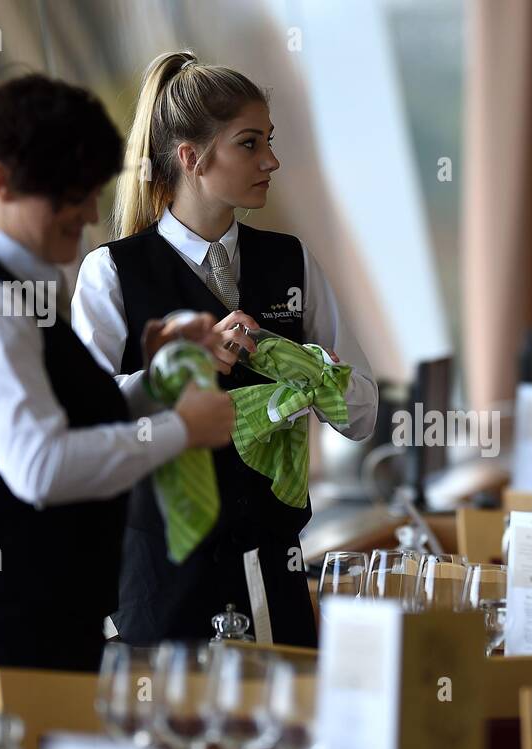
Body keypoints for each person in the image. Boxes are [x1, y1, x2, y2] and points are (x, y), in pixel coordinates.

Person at [0, 74, 237, 748]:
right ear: (1, 182)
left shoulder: (28, 287)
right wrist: (179, 429)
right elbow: (42, 467)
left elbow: (69, 416)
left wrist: (157, 381)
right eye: (69, 197)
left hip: (37, 618)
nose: (85, 213)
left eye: (91, 192)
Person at [73, 51, 378, 648]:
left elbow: (364, 416)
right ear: (192, 158)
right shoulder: (111, 273)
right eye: (249, 143)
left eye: (269, 140)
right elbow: (82, 424)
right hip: (163, 584)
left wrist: (301, 367)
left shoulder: (292, 263)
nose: (272, 160)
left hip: (276, 572)